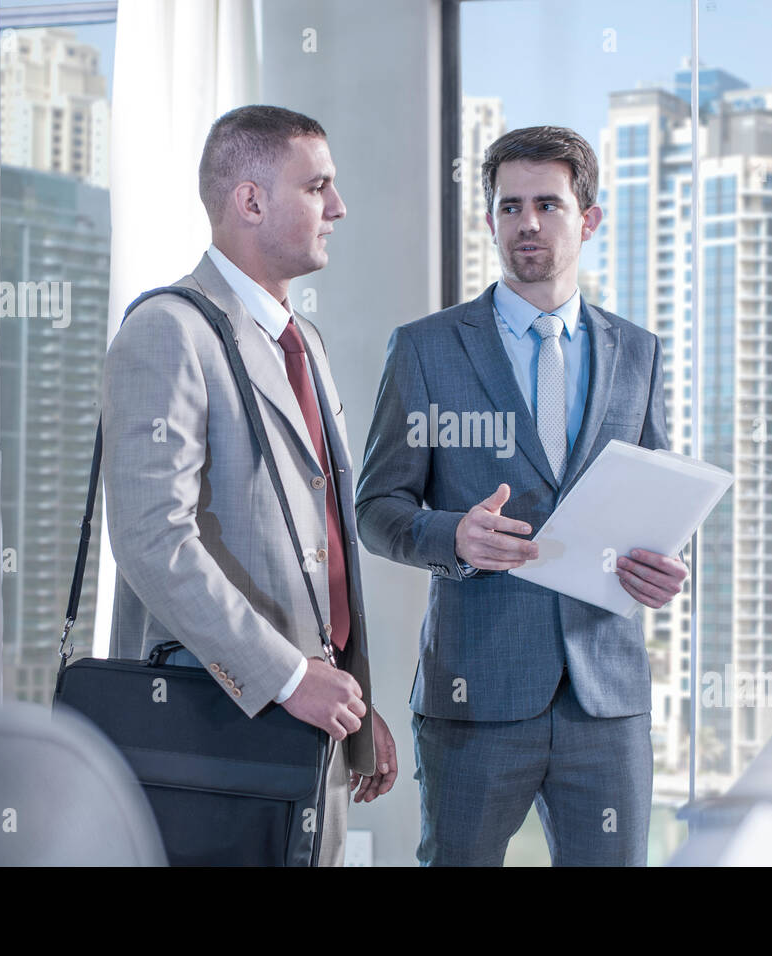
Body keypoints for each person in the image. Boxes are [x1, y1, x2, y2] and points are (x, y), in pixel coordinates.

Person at [356, 125, 687, 866]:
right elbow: (376, 510)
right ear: (490, 220)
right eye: (510, 207)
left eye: (548, 204)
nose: (527, 222)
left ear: (589, 219)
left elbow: (654, 498)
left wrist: (662, 567)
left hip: (607, 698)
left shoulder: (638, 351)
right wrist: (453, 538)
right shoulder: (426, 349)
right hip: (477, 695)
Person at [102, 105, 396, 866]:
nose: (338, 208)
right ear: (252, 200)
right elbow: (149, 539)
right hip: (215, 729)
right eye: (318, 187)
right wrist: (291, 676)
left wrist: (356, 708)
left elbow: (317, 537)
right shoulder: (168, 331)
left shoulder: (305, 343)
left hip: (308, 727)